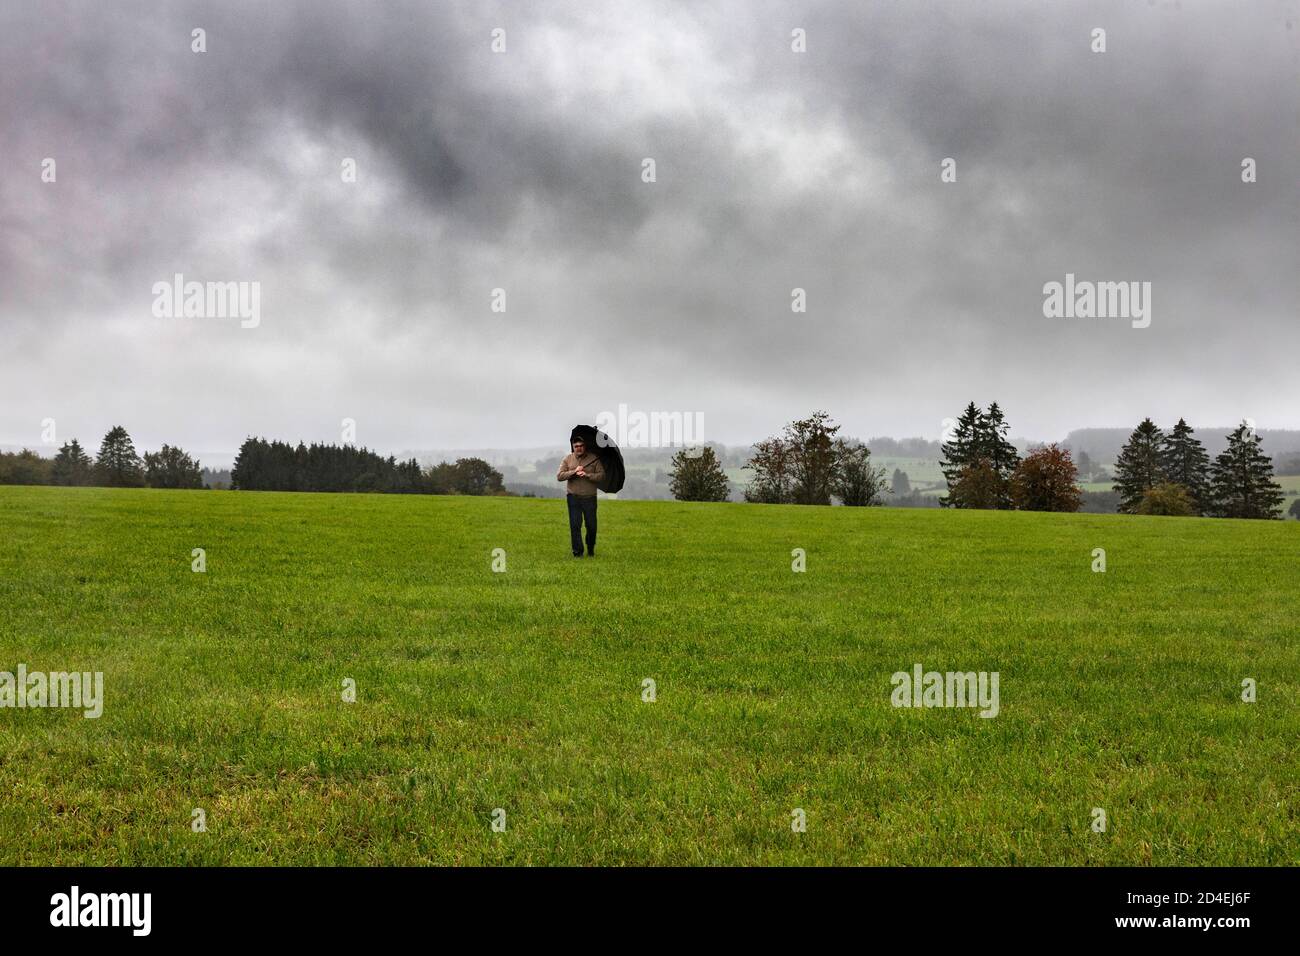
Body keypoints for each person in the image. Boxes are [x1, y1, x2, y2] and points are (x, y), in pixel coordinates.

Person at [557, 432, 605, 557]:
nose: (578, 448)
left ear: (585, 446)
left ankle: (590, 547)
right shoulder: (567, 459)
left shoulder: (594, 458)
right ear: (573, 446)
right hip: (573, 497)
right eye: (576, 445)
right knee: (575, 525)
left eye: (581, 445)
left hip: (590, 498)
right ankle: (577, 552)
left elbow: (601, 476)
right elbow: (560, 476)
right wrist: (574, 472)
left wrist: (587, 475)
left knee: (591, 526)